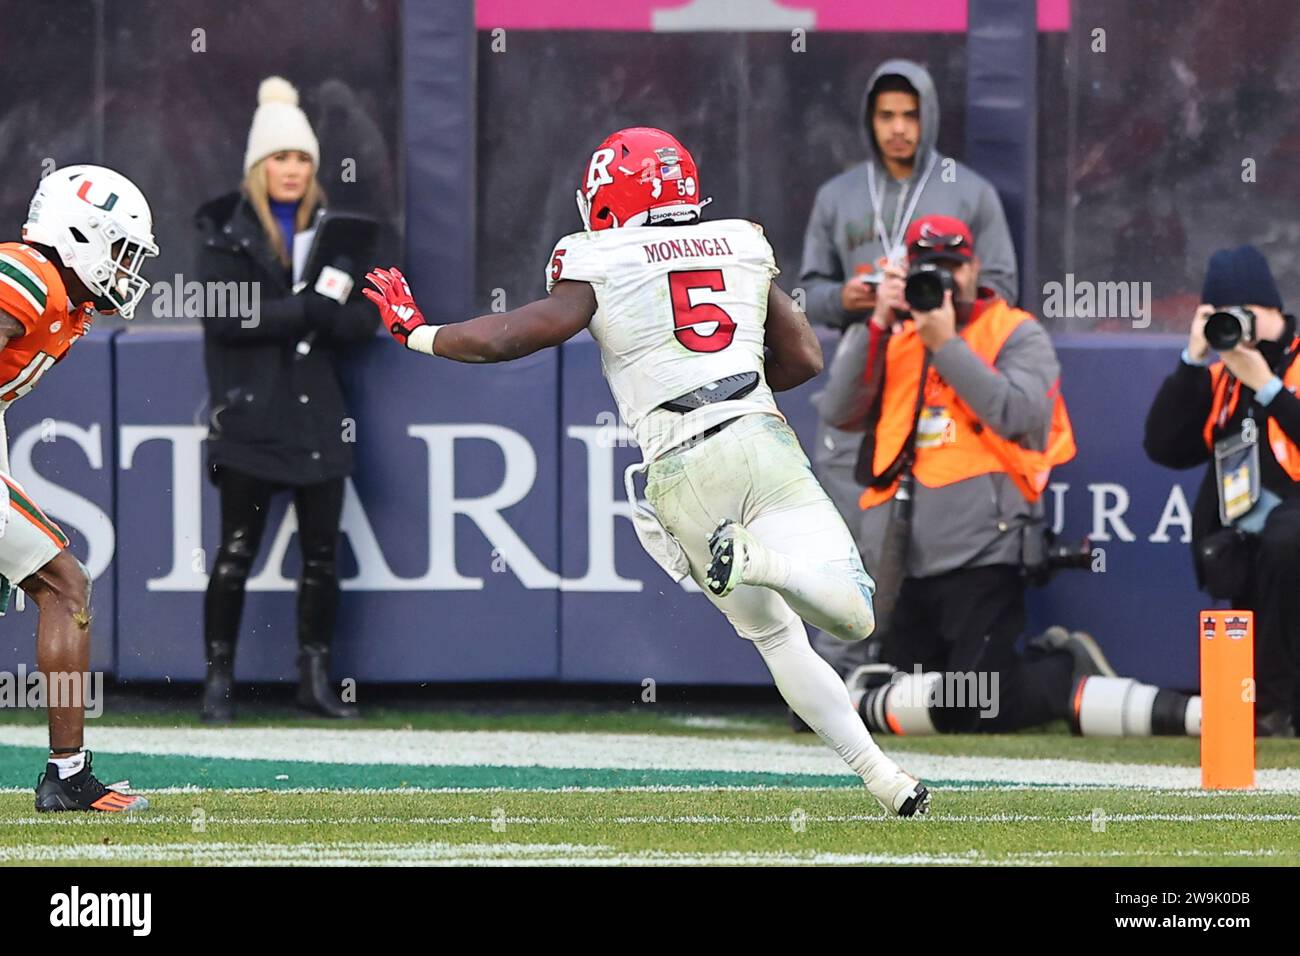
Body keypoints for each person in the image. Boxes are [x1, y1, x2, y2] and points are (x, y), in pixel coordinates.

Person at [364, 127, 930, 816]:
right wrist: (735, 376)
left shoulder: (597, 255)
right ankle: (763, 565)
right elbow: (804, 360)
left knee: (776, 638)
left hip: (678, 468)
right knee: (851, 616)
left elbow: (520, 333)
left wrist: (419, 332)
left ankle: (884, 780)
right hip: (756, 436)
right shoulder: (740, 241)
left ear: (607, 196)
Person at [824, 214, 1201, 738]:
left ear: (976, 268)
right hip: (900, 557)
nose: (942, 281)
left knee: (973, 703)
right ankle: (1054, 672)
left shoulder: (1014, 331)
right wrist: (876, 325)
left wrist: (946, 344)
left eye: (952, 267)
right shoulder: (895, 333)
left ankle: (1062, 670)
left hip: (983, 552)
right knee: (907, 701)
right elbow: (838, 411)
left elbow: (1019, 415)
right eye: (927, 269)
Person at [799, 59, 1019, 678]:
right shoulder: (838, 195)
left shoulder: (970, 191)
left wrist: (937, 304)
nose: (898, 128)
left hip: (946, 370)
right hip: (864, 359)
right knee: (845, 534)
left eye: (910, 115)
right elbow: (805, 293)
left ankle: (899, 674)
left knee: (926, 536)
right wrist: (854, 297)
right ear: (870, 121)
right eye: (886, 115)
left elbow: (1003, 286)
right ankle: (833, 682)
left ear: (930, 116)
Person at [197, 77, 377, 722]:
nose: (292, 169)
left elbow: (364, 322)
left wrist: (325, 315)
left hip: (320, 420)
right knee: (236, 552)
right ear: (257, 167)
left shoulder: (340, 236)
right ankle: (218, 681)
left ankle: (315, 680)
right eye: (280, 157)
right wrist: (309, 308)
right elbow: (224, 316)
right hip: (249, 418)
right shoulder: (222, 229)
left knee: (322, 558)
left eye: (302, 158)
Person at [0, 164, 157, 812]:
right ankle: (66, 775)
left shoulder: (66, 295)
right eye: (118, 249)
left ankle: (67, 773)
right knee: (66, 583)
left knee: (61, 582)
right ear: (80, 231)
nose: (124, 268)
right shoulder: (29, 274)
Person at [1144, 246, 1300, 737]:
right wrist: (1194, 356)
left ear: (1274, 310)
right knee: (1257, 545)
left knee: (1285, 535)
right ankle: (1262, 708)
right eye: (1221, 316)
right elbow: (1164, 446)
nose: (1236, 327)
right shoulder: (1220, 380)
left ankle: (1274, 709)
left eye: (1245, 313)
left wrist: (1270, 388)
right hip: (1245, 547)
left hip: (1290, 543)